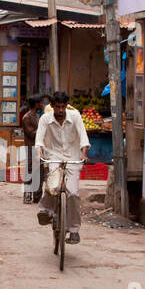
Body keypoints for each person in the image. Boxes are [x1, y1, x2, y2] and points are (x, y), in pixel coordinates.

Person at [35, 90, 88, 244]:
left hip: (73, 157)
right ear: (52, 106)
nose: (60, 110)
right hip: (54, 156)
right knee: (53, 186)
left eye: (63, 107)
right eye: (57, 107)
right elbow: (39, 140)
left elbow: (83, 137)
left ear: (66, 106)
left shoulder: (75, 117)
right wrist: (40, 153)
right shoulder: (45, 119)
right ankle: (46, 211)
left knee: (72, 193)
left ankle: (74, 230)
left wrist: (84, 154)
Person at [19, 94, 44, 204]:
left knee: (39, 172)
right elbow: (31, 133)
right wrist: (43, 130)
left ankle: (37, 197)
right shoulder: (27, 117)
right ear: (36, 104)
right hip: (31, 147)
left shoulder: (37, 116)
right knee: (30, 171)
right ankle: (28, 195)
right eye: (40, 103)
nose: (42, 105)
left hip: (38, 147)